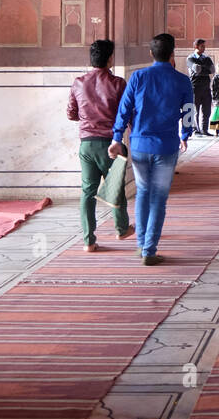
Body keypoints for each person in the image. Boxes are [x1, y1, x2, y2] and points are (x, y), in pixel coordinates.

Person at [108, 33, 193, 266]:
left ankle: (141, 244)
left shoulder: (138, 77)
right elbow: (188, 111)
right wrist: (185, 135)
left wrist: (117, 137)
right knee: (158, 198)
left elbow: (124, 109)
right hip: (166, 146)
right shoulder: (182, 81)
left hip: (139, 145)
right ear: (173, 53)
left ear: (150, 54)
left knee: (143, 193)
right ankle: (149, 250)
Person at [67, 38, 131, 254]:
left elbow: (71, 113)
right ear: (110, 58)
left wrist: (88, 118)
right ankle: (121, 229)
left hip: (86, 145)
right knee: (115, 188)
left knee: (87, 192)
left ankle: (88, 241)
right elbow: (126, 114)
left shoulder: (78, 82)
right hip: (110, 144)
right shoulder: (118, 83)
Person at [186, 37, 214, 137]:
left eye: (204, 46)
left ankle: (204, 129)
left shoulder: (207, 58)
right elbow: (196, 69)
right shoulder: (190, 59)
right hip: (195, 87)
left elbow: (212, 70)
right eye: (202, 46)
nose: (204, 48)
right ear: (196, 46)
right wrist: (205, 69)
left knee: (207, 110)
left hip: (206, 87)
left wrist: (201, 69)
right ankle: (196, 130)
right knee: (195, 110)